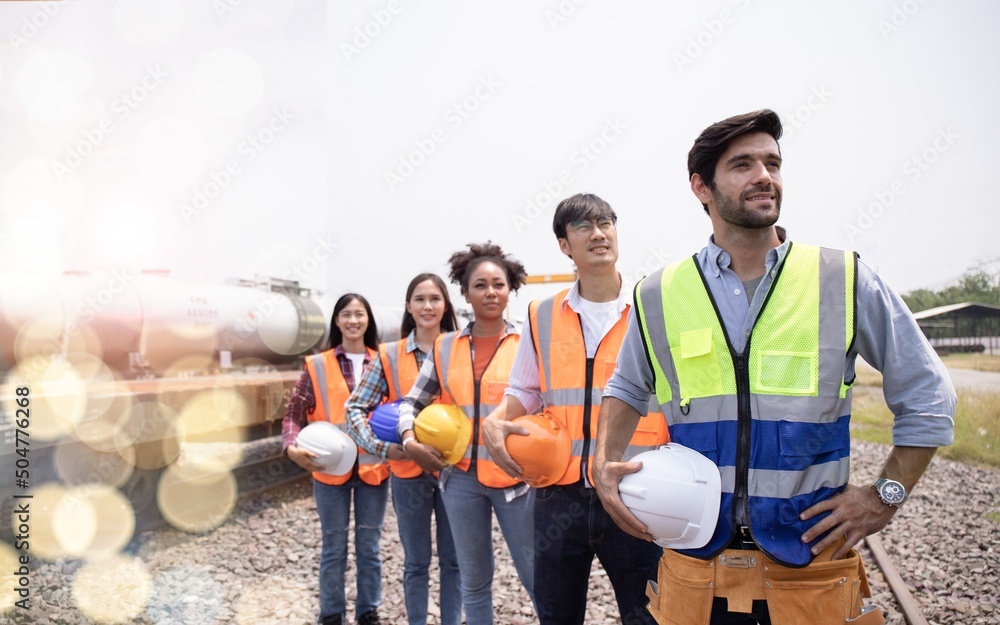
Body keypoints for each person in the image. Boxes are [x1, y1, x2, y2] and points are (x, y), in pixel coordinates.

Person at [593, 109, 957, 625]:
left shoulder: (841, 278)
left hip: (808, 572)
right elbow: (627, 385)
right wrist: (602, 465)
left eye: (772, 163)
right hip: (695, 572)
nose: (765, 176)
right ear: (702, 187)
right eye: (743, 165)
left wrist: (885, 495)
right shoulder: (660, 292)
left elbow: (929, 394)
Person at [480, 193, 669, 625]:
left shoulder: (652, 309)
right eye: (583, 226)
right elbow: (525, 389)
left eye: (606, 223)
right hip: (557, 494)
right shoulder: (540, 314)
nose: (599, 233)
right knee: (557, 614)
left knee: (648, 616)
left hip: (634, 492)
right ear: (565, 245)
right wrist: (498, 418)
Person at [396, 242, 536, 625]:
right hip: (459, 481)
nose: (490, 292)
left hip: (517, 479)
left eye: (498, 284)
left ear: (510, 290)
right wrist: (410, 442)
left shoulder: (528, 343)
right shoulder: (444, 347)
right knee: (473, 582)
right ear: (465, 292)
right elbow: (410, 403)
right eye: (480, 285)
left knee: (537, 577)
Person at [344, 273, 463, 625]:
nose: (428, 306)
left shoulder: (460, 348)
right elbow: (355, 408)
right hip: (408, 474)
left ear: (445, 305)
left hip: (455, 473)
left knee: (454, 561)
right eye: (420, 299)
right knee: (416, 562)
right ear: (409, 307)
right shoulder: (390, 355)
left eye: (435, 299)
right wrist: (382, 448)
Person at [282, 293, 395, 625]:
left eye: (359, 314)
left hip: (374, 468)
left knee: (369, 548)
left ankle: (368, 612)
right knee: (333, 547)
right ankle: (331, 615)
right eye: (346, 314)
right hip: (329, 470)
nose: (353, 321)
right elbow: (293, 414)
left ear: (368, 320)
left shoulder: (384, 362)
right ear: (336, 321)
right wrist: (291, 448)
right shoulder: (317, 365)